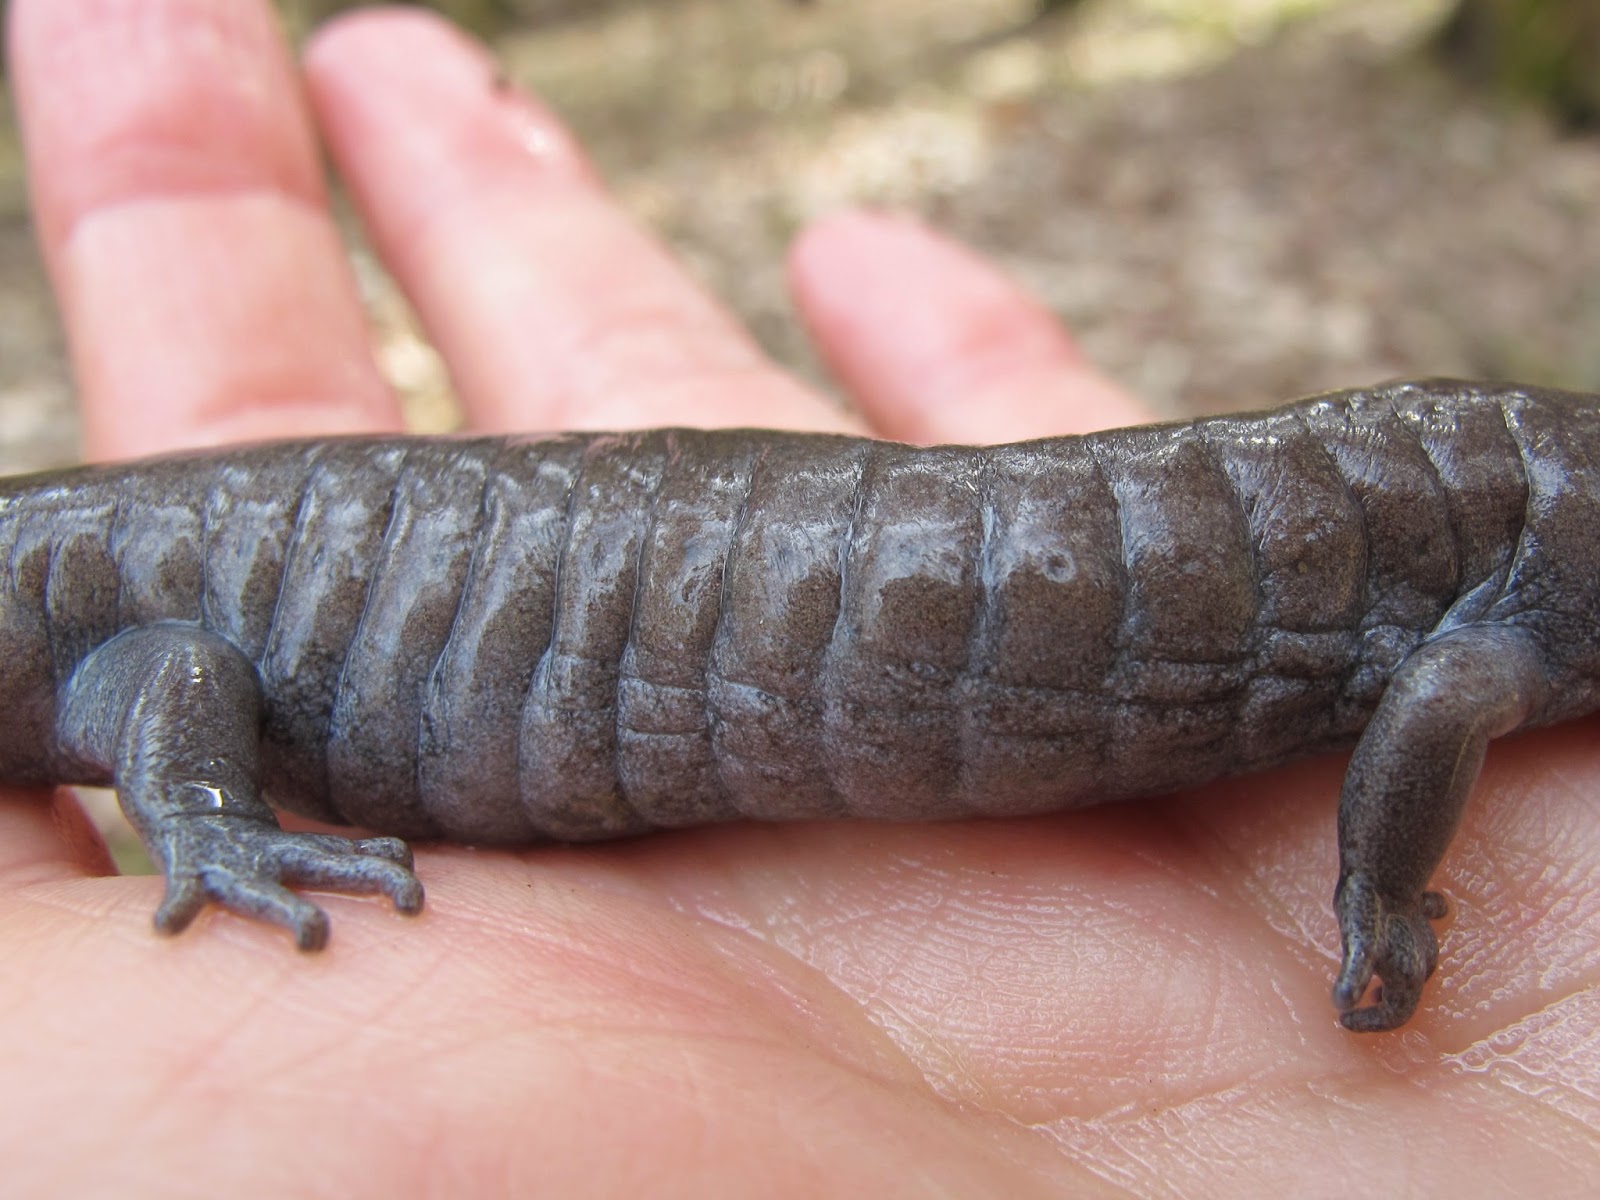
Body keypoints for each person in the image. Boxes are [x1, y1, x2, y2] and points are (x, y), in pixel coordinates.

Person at [2, 2, 1594, 1193]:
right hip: (215, 639)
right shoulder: (1519, 572)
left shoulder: (1521, 521)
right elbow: (1450, 694)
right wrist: (1388, 900)